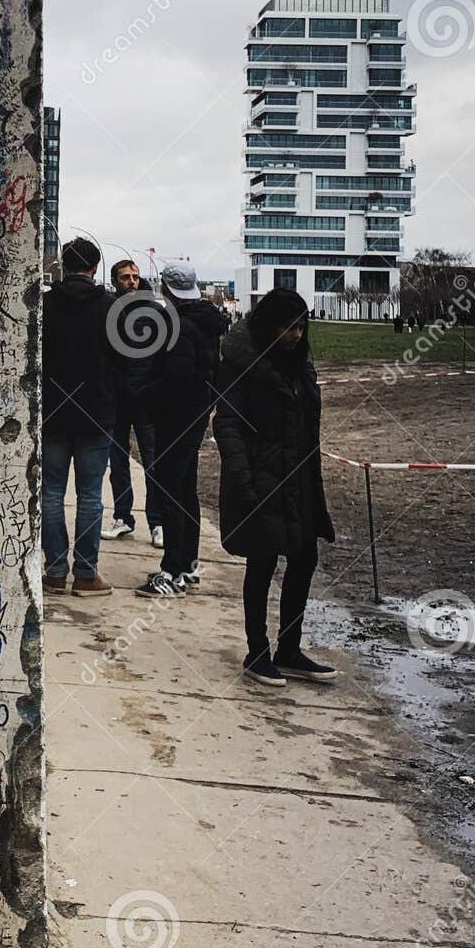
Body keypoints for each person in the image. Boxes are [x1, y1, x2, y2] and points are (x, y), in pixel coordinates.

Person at [214, 287, 337, 686]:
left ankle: (289, 648)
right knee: (262, 562)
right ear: (271, 325)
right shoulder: (241, 364)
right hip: (260, 478)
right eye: (289, 327)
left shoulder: (300, 365)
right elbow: (227, 422)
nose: (297, 335)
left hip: (298, 477)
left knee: (304, 558)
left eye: (302, 327)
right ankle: (257, 651)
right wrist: (243, 478)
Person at [137, 262, 226, 599]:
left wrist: (146, 396)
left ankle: (171, 570)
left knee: (169, 490)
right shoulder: (208, 324)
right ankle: (188, 563)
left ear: (166, 289)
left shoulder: (179, 327)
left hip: (175, 417)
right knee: (186, 489)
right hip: (197, 414)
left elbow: (175, 377)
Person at [41, 238, 115, 596]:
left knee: (51, 492)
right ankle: (86, 575)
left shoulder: (44, 305)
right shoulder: (110, 307)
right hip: (96, 413)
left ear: (63, 265)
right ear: (94, 268)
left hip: (53, 412)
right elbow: (123, 362)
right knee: (90, 495)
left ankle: (55, 570)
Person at [100, 259, 164, 549]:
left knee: (153, 461)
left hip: (148, 401)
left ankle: (158, 522)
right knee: (118, 461)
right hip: (117, 399)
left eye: (135, 277)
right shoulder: (108, 311)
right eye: (125, 277)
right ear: (115, 281)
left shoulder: (154, 311)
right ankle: (123, 517)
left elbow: (163, 356)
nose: (132, 281)